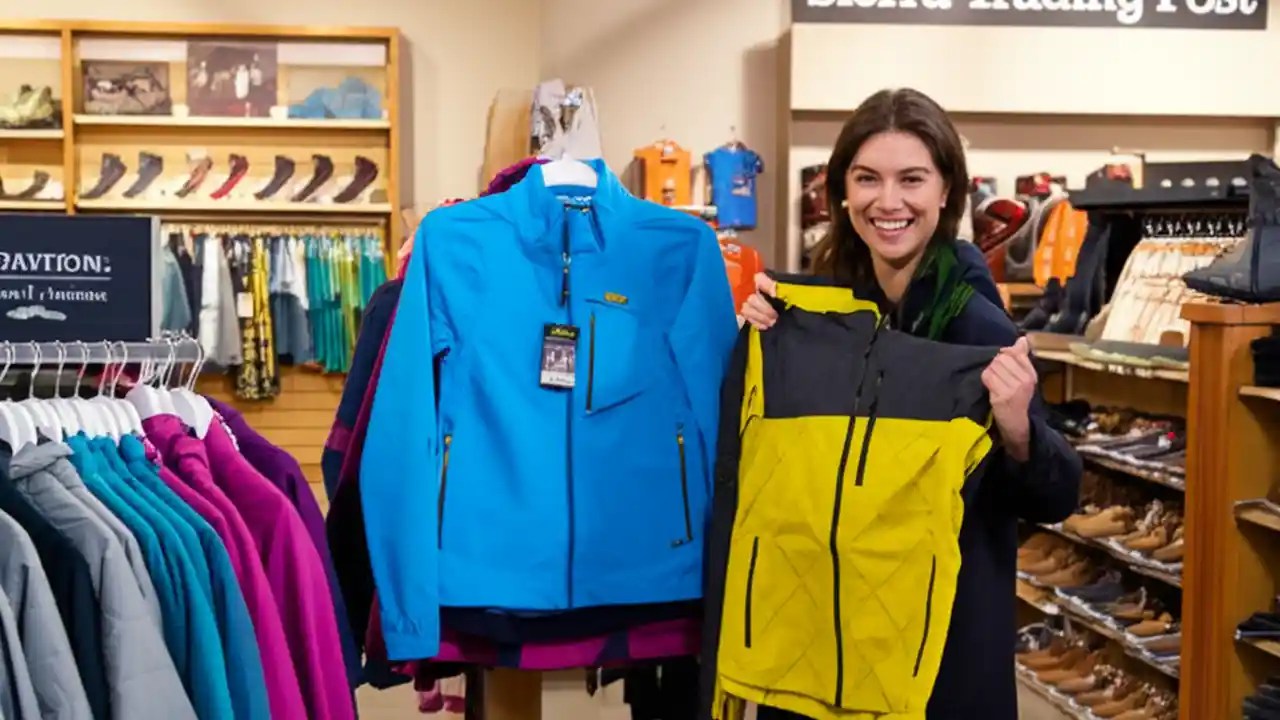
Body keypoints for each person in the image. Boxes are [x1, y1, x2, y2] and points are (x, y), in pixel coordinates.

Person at [739, 87, 1082, 719]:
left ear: (947, 190)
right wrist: (764, 338)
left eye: (912, 179)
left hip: (937, 651)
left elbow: (1058, 495)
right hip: (822, 637)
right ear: (842, 190)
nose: (888, 201)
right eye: (867, 178)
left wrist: (1018, 431)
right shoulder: (820, 311)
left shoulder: (977, 327)